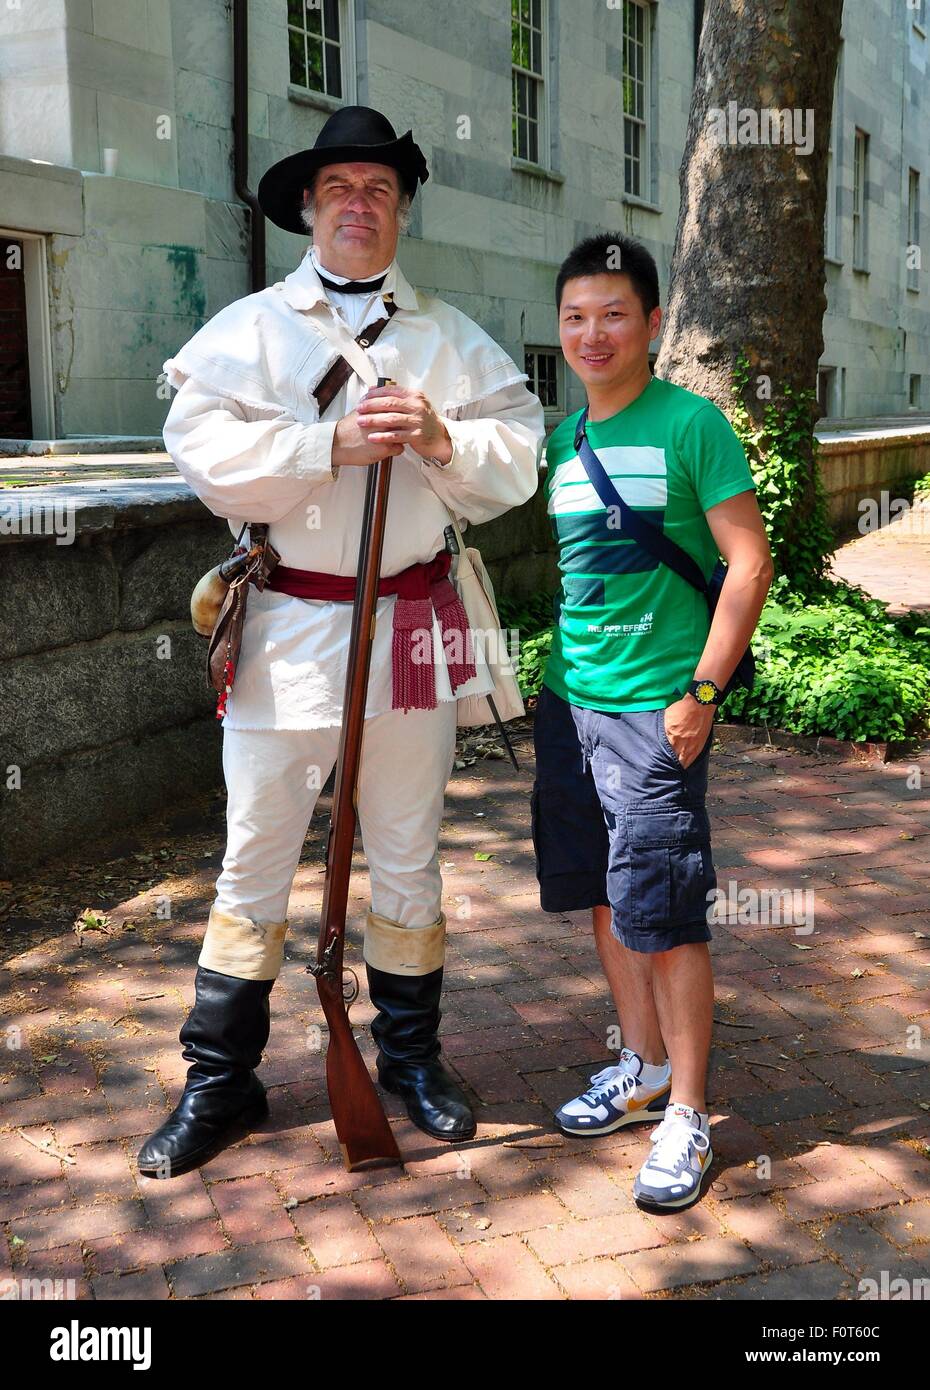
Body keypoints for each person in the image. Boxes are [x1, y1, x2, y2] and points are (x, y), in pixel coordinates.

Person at [137, 106, 544, 1177]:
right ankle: (220, 1083)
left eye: (378, 189)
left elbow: (520, 452)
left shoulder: (450, 334)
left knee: (408, 855)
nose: (358, 206)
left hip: (411, 624)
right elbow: (203, 449)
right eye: (339, 190)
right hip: (287, 628)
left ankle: (410, 1059)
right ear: (309, 211)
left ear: (400, 208)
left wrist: (447, 436)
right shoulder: (251, 328)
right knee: (255, 858)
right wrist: (330, 443)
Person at [532, 233, 773, 1210]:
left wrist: (701, 696)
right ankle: (638, 1069)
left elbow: (748, 564)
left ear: (652, 323)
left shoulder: (692, 427)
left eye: (613, 313)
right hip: (570, 703)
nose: (593, 333)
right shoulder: (562, 439)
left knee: (666, 917)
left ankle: (688, 1112)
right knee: (603, 896)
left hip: (655, 715)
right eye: (575, 316)